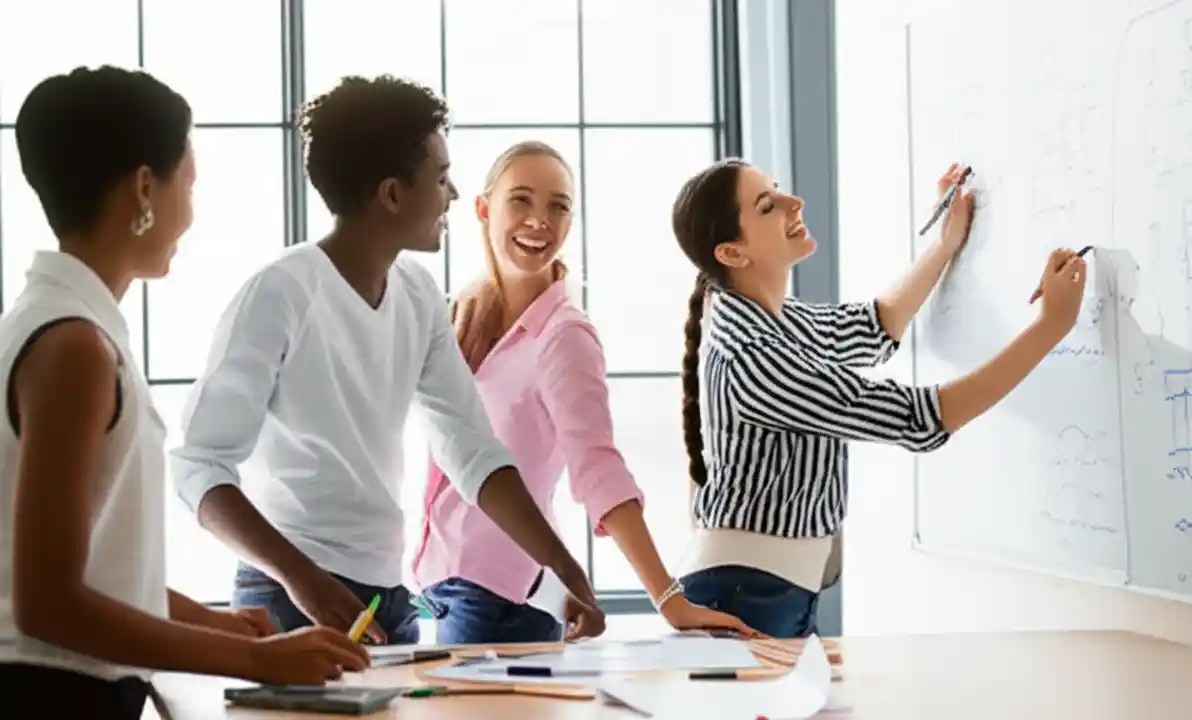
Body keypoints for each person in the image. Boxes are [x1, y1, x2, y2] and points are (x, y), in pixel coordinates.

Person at [170, 76, 602, 647]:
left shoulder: (418, 295)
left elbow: (472, 451)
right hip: (288, 595)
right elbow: (199, 466)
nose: (452, 196)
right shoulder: (280, 293)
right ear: (393, 195)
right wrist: (304, 581)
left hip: (386, 600)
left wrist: (563, 567)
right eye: (441, 178)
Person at [0, 66, 370, 719]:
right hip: (52, 699)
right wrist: (255, 659)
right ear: (145, 187)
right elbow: (47, 604)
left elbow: (91, 570)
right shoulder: (75, 348)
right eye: (189, 184)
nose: (192, 214)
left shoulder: (51, 322)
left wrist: (215, 623)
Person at [671, 158, 1087, 637]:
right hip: (743, 594)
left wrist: (945, 243)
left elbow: (872, 328)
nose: (794, 202)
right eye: (768, 206)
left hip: (763, 588)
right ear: (732, 253)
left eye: (779, 188)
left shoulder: (767, 317)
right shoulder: (753, 355)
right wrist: (1051, 326)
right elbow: (920, 418)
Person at [415, 142, 759, 644]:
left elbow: (598, 468)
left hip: (502, 602)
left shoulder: (565, 336)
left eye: (558, 206)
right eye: (521, 200)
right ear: (484, 209)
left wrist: (668, 597)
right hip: (445, 586)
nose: (540, 220)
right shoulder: (464, 315)